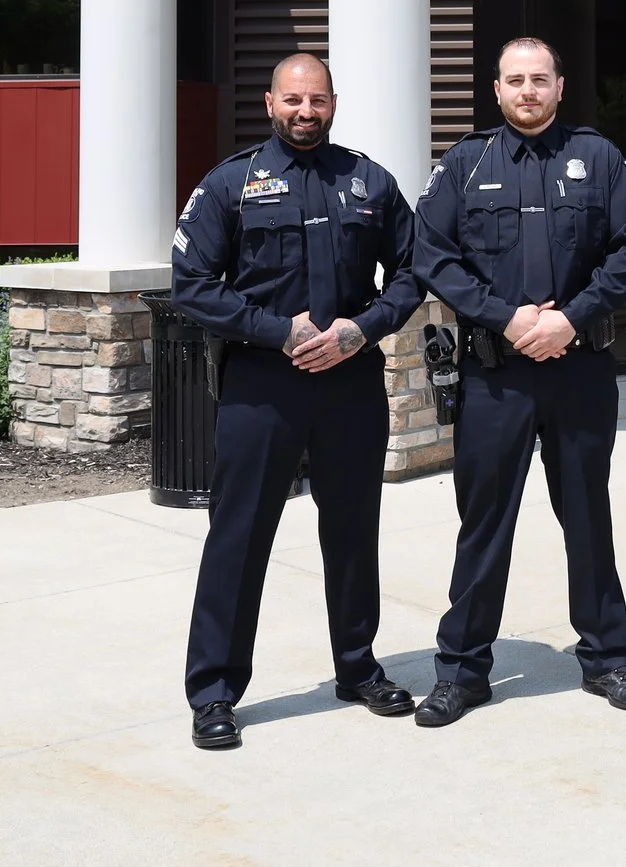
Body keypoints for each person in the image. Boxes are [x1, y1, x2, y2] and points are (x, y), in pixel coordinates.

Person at [173, 53, 424, 750]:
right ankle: (215, 691)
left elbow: (413, 270)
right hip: (263, 384)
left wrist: (361, 327)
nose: (305, 109)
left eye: (317, 98)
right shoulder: (231, 184)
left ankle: (357, 667)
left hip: (348, 381)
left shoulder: (368, 179)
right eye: (293, 98)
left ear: (333, 103)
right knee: (239, 535)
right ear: (270, 102)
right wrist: (276, 330)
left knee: (351, 532)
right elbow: (192, 281)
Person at [408, 37, 626, 726]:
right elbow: (432, 253)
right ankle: (462, 671)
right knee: (484, 525)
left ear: (559, 85)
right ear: (497, 90)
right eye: (515, 80)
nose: (527, 91)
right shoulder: (466, 162)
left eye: (539, 79)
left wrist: (570, 320)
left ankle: (609, 658)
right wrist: (508, 317)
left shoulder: (600, 157)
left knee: (587, 514)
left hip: (578, 370)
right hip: (495, 375)